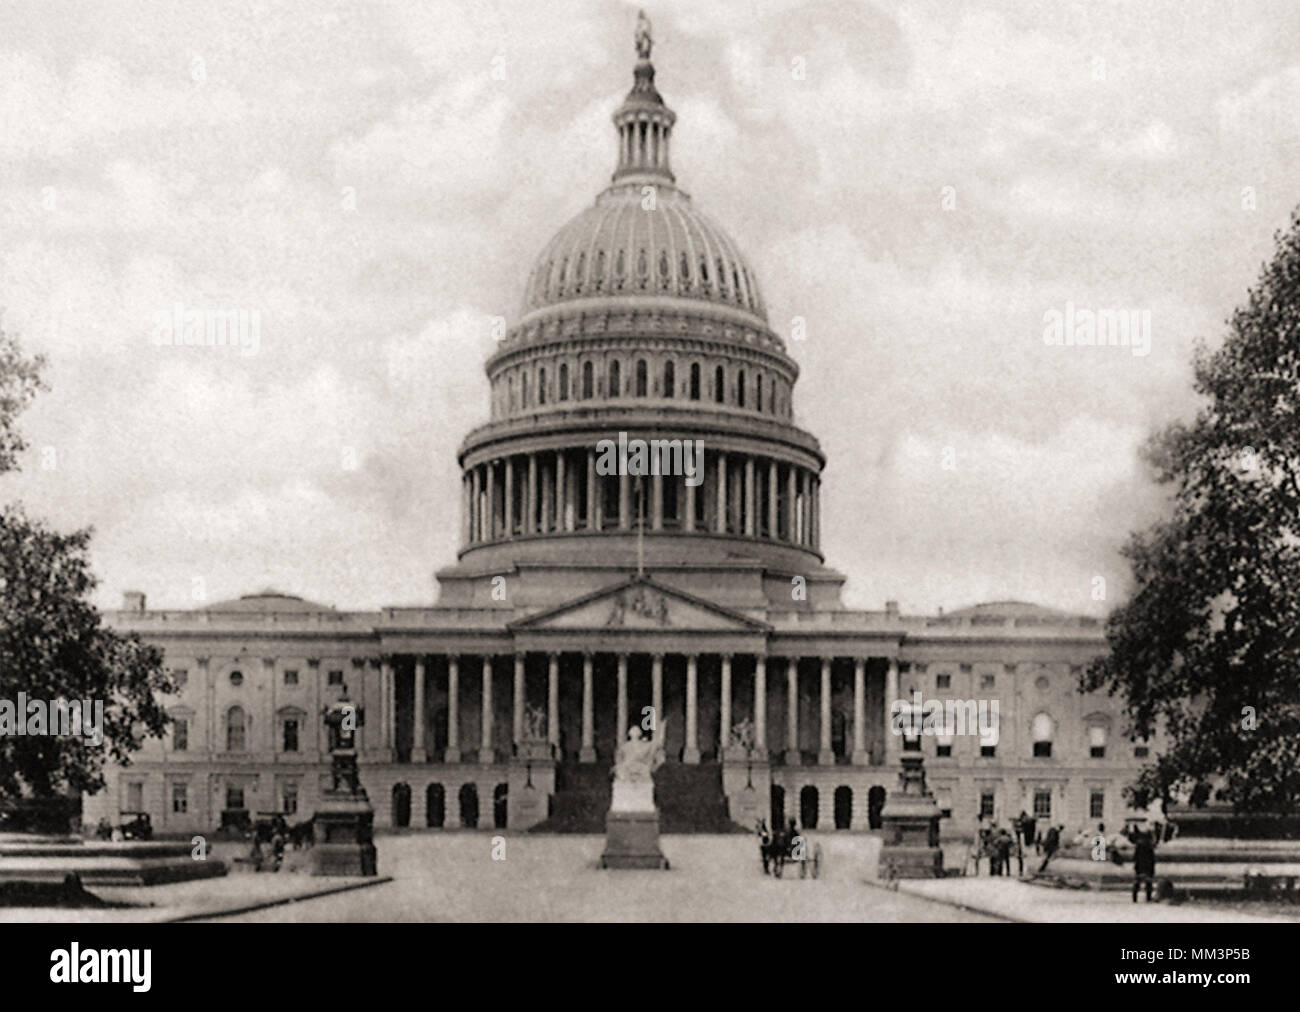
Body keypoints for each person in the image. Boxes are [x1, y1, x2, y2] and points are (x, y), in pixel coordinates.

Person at [1133, 830, 1156, 902]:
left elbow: (1135, 857)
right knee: (1148, 882)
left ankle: (1135, 898)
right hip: (1148, 865)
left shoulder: (1138, 846)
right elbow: (1152, 857)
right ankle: (1148, 897)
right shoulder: (1149, 846)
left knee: (1137, 882)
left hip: (1139, 865)